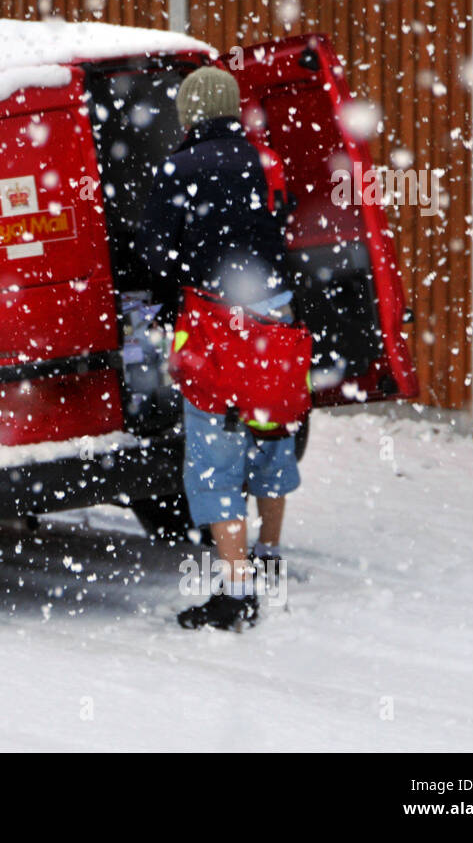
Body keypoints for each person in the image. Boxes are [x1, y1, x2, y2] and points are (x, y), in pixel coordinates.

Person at [140, 66, 301, 631]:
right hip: (275, 315)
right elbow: (281, 226)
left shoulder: (177, 167)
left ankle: (236, 593)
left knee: (214, 457)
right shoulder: (267, 160)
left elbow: (155, 251)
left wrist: (183, 273)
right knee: (271, 431)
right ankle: (269, 558)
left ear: (189, 114)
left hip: (216, 321)